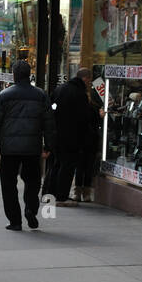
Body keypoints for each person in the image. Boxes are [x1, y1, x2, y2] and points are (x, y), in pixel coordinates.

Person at [0, 60, 56, 230]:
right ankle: (31, 208)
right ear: (29, 75)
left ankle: (15, 220)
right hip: (32, 148)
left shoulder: (3, 96)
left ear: (14, 76)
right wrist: (48, 146)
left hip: (9, 149)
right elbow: (49, 124)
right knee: (33, 181)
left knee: (8, 185)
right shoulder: (41, 95)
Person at [52, 66, 95, 204]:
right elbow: (84, 117)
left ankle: (50, 193)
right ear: (85, 78)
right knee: (67, 166)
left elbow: (51, 108)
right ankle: (61, 196)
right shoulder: (79, 93)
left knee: (57, 164)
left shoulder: (60, 88)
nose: (89, 84)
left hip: (57, 134)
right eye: (89, 81)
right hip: (72, 137)